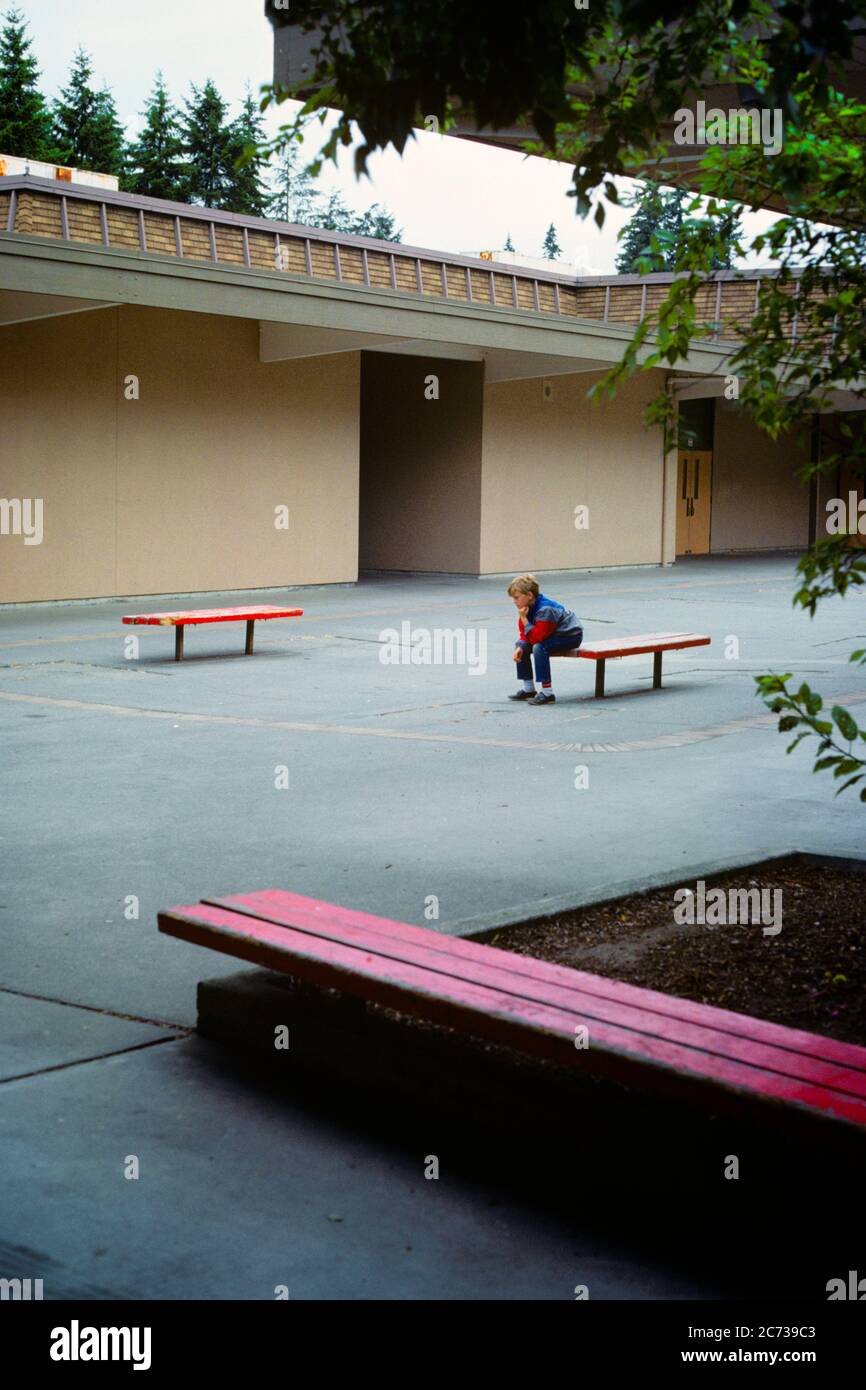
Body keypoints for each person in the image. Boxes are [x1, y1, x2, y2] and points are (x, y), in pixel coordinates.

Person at [507, 573, 583, 705]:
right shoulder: (527, 607)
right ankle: (529, 689)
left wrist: (524, 619)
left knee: (540, 647)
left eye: (516, 598)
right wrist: (521, 645)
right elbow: (525, 633)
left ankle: (548, 693)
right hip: (552, 634)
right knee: (521, 645)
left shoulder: (545, 609)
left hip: (569, 636)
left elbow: (537, 638)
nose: (514, 601)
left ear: (529, 595)